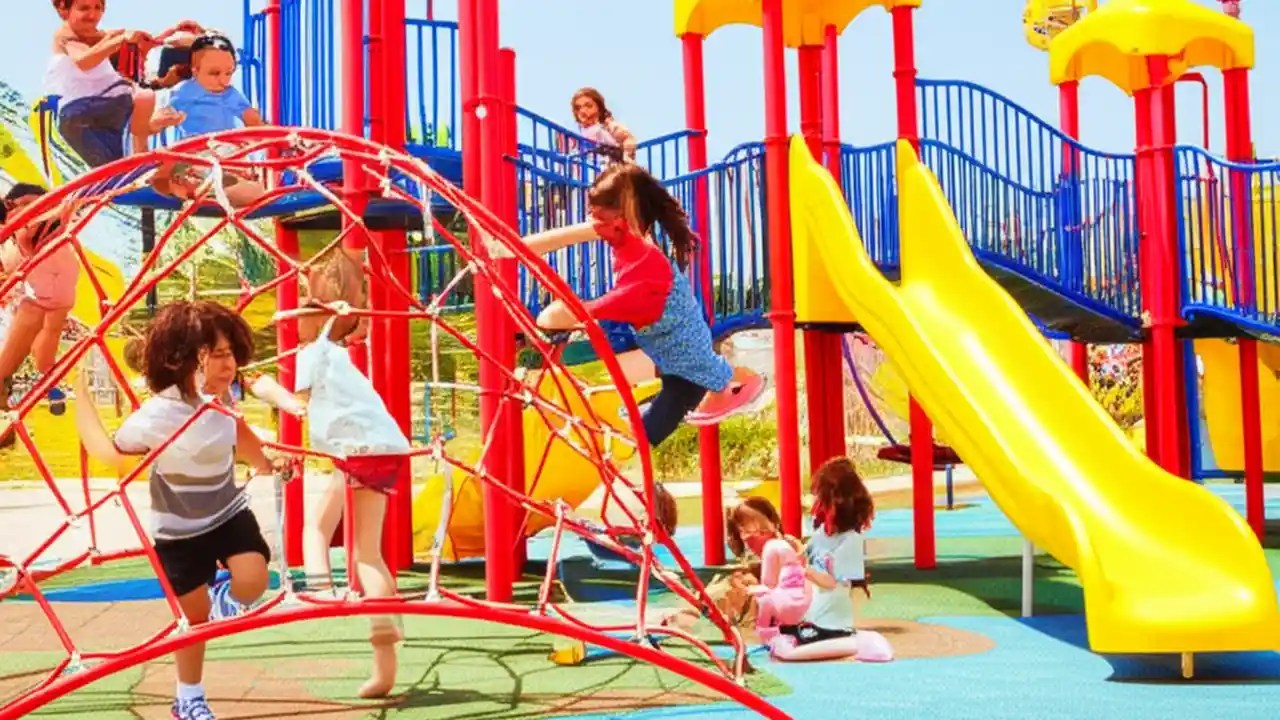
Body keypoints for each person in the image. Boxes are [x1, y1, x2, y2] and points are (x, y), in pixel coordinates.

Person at [73, 300, 282, 720]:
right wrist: (80, 398)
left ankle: (225, 596)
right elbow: (112, 453)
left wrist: (270, 463)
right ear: (185, 358)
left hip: (226, 513)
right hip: (178, 530)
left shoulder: (221, 406)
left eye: (231, 354)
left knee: (254, 579)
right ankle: (189, 698)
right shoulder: (155, 417)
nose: (229, 365)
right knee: (194, 621)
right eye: (217, 355)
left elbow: (244, 443)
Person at [514, 163, 764, 448]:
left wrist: (556, 315)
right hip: (673, 354)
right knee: (644, 414)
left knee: (639, 436)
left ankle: (731, 385)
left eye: (598, 216)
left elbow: (565, 315)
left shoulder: (644, 273)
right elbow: (567, 238)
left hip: (682, 368)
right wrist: (508, 247)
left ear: (623, 219)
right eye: (591, 214)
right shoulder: (632, 242)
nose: (591, 222)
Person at [248, 248, 405, 699]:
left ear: (318, 316)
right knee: (351, 541)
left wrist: (267, 390)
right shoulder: (335, 355)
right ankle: (384, 629)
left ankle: (368, 627)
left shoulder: (315, 351)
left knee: (364, 554)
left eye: (302, 313)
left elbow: (298, 405)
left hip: (361, 451)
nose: (293, 324)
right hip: (382, 449)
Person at [769, 457, 891, 662]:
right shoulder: (820, 535)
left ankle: (842, 641)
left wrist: (804, 570)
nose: (818, 507)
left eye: (823, 501)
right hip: (812, 617)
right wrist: (793, 549)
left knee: (790, 647)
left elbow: (832, 582)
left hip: (832, 624)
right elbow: (806, 557)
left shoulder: (851, 541)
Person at [45, 0, 186, 167]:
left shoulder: (100, 37)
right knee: (143, 97)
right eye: (84, 8)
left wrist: (174, 32)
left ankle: (141, 156)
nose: (92, 15)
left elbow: (144, 39)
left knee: (118, 165)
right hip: (82, 112)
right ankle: (143, 152)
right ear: (64, 11)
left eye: (98, 8)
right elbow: (84, 61)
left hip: (104, 116)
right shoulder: (66, 35)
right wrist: (120, 40)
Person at [152, 32, 267, 206]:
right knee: (166, 168)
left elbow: (251, 120)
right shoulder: (185, 91)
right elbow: (161, 115)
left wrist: (258, 126)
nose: (223, 80)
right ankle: (194, 185)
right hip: (196, 145)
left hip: (224, 145)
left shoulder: (230, 94)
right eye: (215, 73)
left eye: (228, 73)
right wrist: (167, 118)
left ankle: (222, 188)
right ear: (195, 70)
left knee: (239, 165)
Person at [0, 184, 80, 424]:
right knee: (41, 341)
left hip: (45, 291)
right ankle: (50, 385)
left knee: (38, 338)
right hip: (48, 290)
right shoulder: (21, 236)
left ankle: (47, 384)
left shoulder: (29, 232)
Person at [725, 497, 812, 643]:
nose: (748, 537)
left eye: (757, 530)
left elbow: (769, 590)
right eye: (742, 531)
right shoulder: (780, 547)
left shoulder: (775, 548)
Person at [570, 87, 637, 164]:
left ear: (599, 108)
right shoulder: (577, 133)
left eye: (589, 106)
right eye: (578, 108)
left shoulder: (608, 126)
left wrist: (625, 158)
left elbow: (628, 140)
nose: (583, 111)